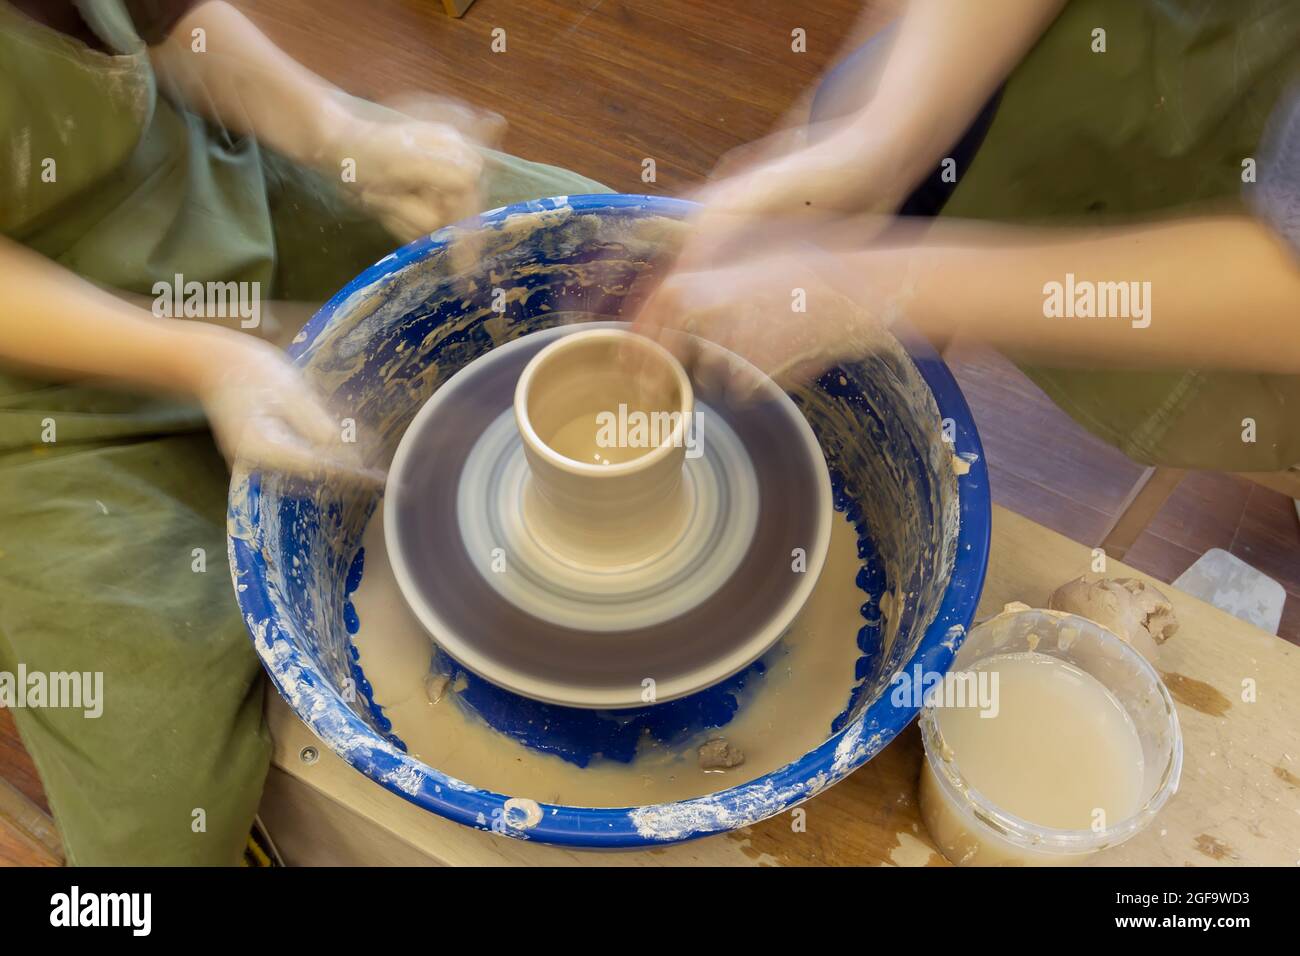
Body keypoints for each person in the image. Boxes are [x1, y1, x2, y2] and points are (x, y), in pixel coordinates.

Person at [0, 0, 607, 864]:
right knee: (157, 819)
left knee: (583, 243)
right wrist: (207, 358)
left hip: (195, 180)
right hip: (35, 384)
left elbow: (173, 20)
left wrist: (342, 136)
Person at [636, 0, 1300, 473]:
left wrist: (887, 284)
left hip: (1245, 268)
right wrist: (878, 146)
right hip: (1104, 42)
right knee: (869, 186)